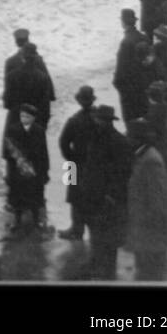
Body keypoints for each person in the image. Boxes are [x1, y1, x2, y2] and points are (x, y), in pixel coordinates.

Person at [80, 104, 132, 280]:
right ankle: (97, 266)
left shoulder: (118, 142)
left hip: (109, 199)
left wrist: (111, 195)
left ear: (106, 121)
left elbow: (124, 172)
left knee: (109, 238)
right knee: (96, 234)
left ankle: (108, 274)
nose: (96, 121)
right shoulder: (94, 137)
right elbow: (75, 160)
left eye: (99, 119)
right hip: (93, 196)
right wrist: (74, 186)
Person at [126, 120, 167, 281]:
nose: (127, 139)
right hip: (145, 223)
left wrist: (151, 220)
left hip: (151, 225)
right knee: (145, 267)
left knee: (151, 271)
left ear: (138, 139)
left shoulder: (150, 160)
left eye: (130, 136)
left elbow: (157, 197)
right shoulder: (143, 155)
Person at [57, 86, 98, 240]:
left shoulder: (74, 121)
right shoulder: (99, 118)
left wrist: (70, 158)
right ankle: (92, 229)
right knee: (93, 197)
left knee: (74, 197)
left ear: (79, 101)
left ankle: (76, 229)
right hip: (95, 165)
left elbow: (63, 142)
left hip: (75, 164)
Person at [2, 103, 50, 236]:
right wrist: (9, 172)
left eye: (27, 116)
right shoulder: (13, 129)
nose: (24, 119)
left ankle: (36, 220)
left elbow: (44, 152)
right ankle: (16, 220)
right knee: (17, 195)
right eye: (22, 116)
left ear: (33, 118)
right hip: (17, 168)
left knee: (35, 195)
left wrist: (45, 171)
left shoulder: (39, 131)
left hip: (35, 168)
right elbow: (8, 151)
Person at [3, 42, 55, 129]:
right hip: (36, 122)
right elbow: (46, 106)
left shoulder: (11, 76)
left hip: (15, 121)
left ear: (22, 57)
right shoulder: (43, 77)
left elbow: (7, 104)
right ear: (35, 58)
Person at [113, 9, 149, 123]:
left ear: (123, 22)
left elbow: (121, 68)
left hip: (129, 88)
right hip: (144, 85)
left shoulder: (125, 42)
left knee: (131, 119)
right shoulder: (144, 38)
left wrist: (117, 83)